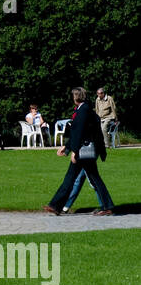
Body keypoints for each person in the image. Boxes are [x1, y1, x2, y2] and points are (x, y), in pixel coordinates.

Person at [43, 87, 115, 216]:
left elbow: (80, 133)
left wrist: (74, 151)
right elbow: (77, 132)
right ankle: (107, 206)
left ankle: (56, 205)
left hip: (84, 151)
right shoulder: (84, 109)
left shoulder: (83, 111)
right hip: (86, 150)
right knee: (92, 178)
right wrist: (66, 147)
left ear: (76, 97)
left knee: (72, 178)